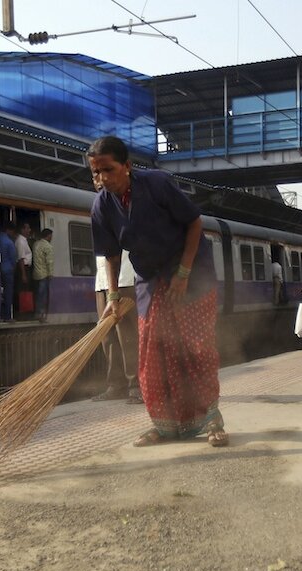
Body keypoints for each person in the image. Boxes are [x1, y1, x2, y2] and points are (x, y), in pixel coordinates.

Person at [89, 136, 227, 447]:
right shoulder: (101, 206)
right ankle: (165, 427)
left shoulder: (157, 184)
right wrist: (112, 297)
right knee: (153, 353)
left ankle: (211, 420)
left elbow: (194, 224)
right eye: (95, 173)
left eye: (108, 170)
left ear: (127, 166)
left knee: (196, 348)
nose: (102, 179)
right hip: (150, 280)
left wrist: (183, 274)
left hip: (191, 272)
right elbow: (110, 255)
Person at [94, 251, 142, 404]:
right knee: (107, 336)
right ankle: (116, 384)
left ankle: (136, 384)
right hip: (102, 282)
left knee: (127, 336)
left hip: (124, 280)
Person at [32, 228, 54, 323]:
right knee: (43, 296)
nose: (51, 238)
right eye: (51, 236)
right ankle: (41, 315)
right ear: (48, 236)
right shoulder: (48, 246)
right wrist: (50, 274)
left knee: (37, 295)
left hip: (35, 274)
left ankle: (36, 313)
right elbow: (50, 262)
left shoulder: (35, 244)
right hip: (44, 275)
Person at [0, 224, 17, 322]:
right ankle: (8, 316)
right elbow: (13, 258)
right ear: (8, 230)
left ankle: (0, 315)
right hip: (8, 270)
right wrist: (13, 268)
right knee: (8, 293)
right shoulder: (9, 243)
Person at [15, 222, 33, 315]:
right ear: (22, 230)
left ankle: (26, 310)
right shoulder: (20, 241)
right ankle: (22, 312)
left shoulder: (24, 240)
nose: (29, 230)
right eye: (28, 228)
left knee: (26, 290)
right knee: (23, 290)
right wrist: (23, 274)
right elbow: (21, 259)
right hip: (23, 268)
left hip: (26, 268)